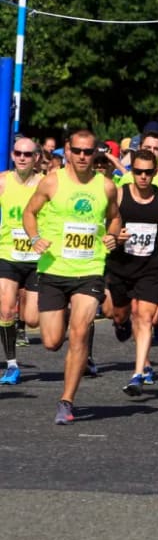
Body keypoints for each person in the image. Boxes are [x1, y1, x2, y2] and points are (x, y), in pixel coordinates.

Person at [22, 129, 121, 424]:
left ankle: (66, 402)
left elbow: (115, 217)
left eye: (88, 152)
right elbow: (29, 213)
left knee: (79, 332)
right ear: (68, 150)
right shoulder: (52, 181)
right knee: (51, 341)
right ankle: (68, 316)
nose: (82, 156)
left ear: (95, 154)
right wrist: (34, 238)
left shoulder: (106, 186)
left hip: (89, 270)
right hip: (54, 269)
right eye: (77, 150)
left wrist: (113, 235)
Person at [107, 150, 158, 395]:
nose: (143, 177)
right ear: (132, 172)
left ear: (155, 172)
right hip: (120, 267)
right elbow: (105, 223)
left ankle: (138, 373)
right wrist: (115, 235)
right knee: (120, 314)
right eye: (138, 172)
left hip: (150, 267)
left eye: (148, 172)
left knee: (144, 317)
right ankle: (121, 324)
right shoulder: (119, 194)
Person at [0, 139, 43, 385]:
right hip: (8, 254)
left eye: (28, 154)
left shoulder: (46, 184)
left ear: (36, 157)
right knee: (6, 309)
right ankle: (12, 365)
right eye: (18, 153)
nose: (22, 157)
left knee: (33, 318)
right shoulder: (3, 182)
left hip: (37, 257)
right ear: (12, 155)